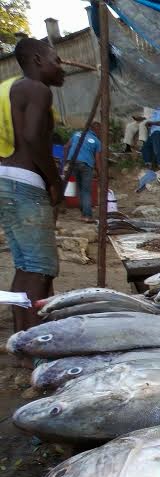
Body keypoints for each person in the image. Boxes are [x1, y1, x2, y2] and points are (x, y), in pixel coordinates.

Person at [0, 38, 65, 334]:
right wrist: (55, 181)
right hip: (24, 183)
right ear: (38, 60)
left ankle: (22, 336)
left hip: (7, 181)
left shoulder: (11, 88)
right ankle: (35, 342)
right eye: (56, 60)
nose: (61, 67)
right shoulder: (37, 89)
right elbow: (32, 137)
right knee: (41, 268)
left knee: (26, 266)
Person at [64, 120, 102, 221]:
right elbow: (97, 160)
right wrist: (100, 173)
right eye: (100, 131)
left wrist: (65, 162)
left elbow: (66, 147)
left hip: (73, 162)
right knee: (86, 190)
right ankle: (87, 215)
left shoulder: (76, 134)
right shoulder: (97, 141)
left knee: (79, 188)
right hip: (86, 165)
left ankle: (83, 212)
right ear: (97, 131)